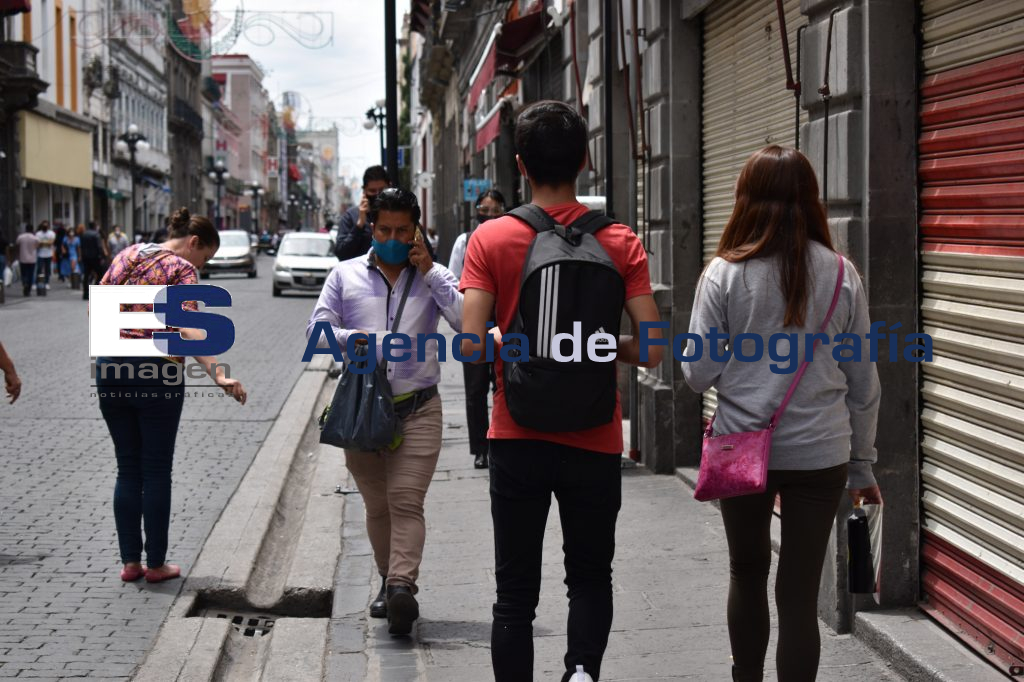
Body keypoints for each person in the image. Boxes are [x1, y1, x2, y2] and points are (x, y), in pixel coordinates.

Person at [460, 100, 664, 682]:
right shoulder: (620, 241)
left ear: (520, 164)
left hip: (517, 435)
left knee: (515, 592)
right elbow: (651, 348)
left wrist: (527, 346)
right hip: (595, 437)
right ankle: (581, 672)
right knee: (591, 577)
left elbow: (473, 346)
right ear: (586, 159)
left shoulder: (491, 238)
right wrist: (597, 347)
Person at [681, 146, 882, 682]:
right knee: (798, 592)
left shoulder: (723, 275)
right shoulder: (842, 274)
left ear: (745, 199)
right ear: (809, 200)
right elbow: (864, 385)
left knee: (746, 573)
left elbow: (696, 373)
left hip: (741, 449)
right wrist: (862, 467)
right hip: (822, 454)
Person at [307, 187, 461, 636]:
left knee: (406, 501)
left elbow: (467, 320)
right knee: (377, 507)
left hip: (419, 409)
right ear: (371, 229)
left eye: (402, 230)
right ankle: (386, 580)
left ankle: (400, 587)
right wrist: (352, 340)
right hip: (362, 412)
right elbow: (317, 329)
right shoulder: (344, 275)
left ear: (416, 230)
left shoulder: (433, 275)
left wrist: (430, 271)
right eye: (385, 229)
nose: (393, 237)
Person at [96, 207, 247, 584]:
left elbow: (93, 313)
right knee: (156, 469)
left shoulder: (126, 254)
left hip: (110, 367)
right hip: (157, 373)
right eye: (206, 257)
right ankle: (157, 564)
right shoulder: (181, 269)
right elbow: (190, 328)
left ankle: (131, 563)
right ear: (193, 242)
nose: (203, 266)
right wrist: (221, 375)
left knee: (127, 468)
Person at [449, 188, 506, 469]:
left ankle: (501, 444)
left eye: (496, 210)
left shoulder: (511, 238)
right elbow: (454, 281)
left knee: (503, 385)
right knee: (475, 390)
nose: (490, 216)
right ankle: (480, 448)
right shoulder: (465, 241)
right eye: (485, 210)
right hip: (473, 322)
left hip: (505, 322)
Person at [334, 165, 391, 261]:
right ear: (364, 190)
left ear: (389, 187)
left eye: (382, 190)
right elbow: (341, 253)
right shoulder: (351, 216)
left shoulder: (400, 215)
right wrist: (359, 225)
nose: (378, 194)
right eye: (372, 191)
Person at [80, 221, 108, 301]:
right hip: (95, 258)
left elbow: (81, 246)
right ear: (95, 226)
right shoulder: (96, 235)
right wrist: (102, 256)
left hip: (86, 258)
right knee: (100, 274)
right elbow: (99, 247)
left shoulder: (84, 235)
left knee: (86, 275)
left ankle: (85, 293)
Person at [16, 224, 38, 297]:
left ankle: (24, 283)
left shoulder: (21, 237)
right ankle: (28, 289)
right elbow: (38, 246)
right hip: (32, 259)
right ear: (32, 229)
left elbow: (17, 244)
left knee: (24, 273)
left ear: (25, 229)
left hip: (23, 258)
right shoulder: (35, 238)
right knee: (31, 274)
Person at [35, 220, 55, 292]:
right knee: (39, 269)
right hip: (40, 254)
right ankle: (37, 282)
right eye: (44, 226)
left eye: (46, 226)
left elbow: (51, 243)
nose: (45, 227)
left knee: (47, 269)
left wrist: (42, 243)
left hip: (48, 254)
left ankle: (47, 282)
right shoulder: (38, 234)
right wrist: (46, 243)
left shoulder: (51, 233)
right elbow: (38, 244)